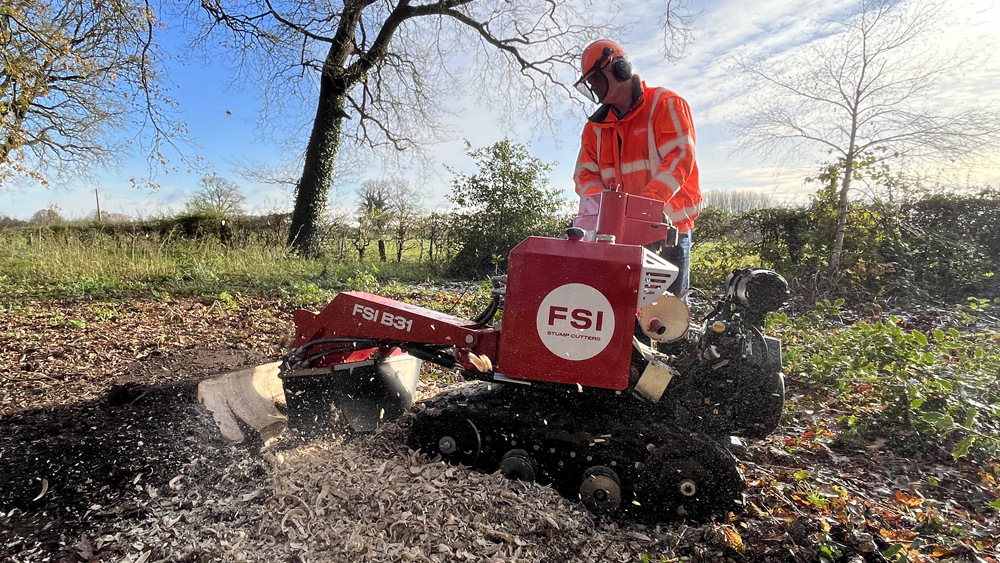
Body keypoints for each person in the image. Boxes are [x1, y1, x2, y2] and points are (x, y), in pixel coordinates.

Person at [572, 40, 702, 296]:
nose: (594, 87)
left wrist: (641, 213)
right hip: (615, 238)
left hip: (667, 232)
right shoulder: (594, 129)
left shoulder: (665, 104)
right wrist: (608, 214)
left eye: (596, 79)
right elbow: (584, 176)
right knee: (615, 315)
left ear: (618, 68)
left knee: (664, 320)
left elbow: (679, 160)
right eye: (590, 82)